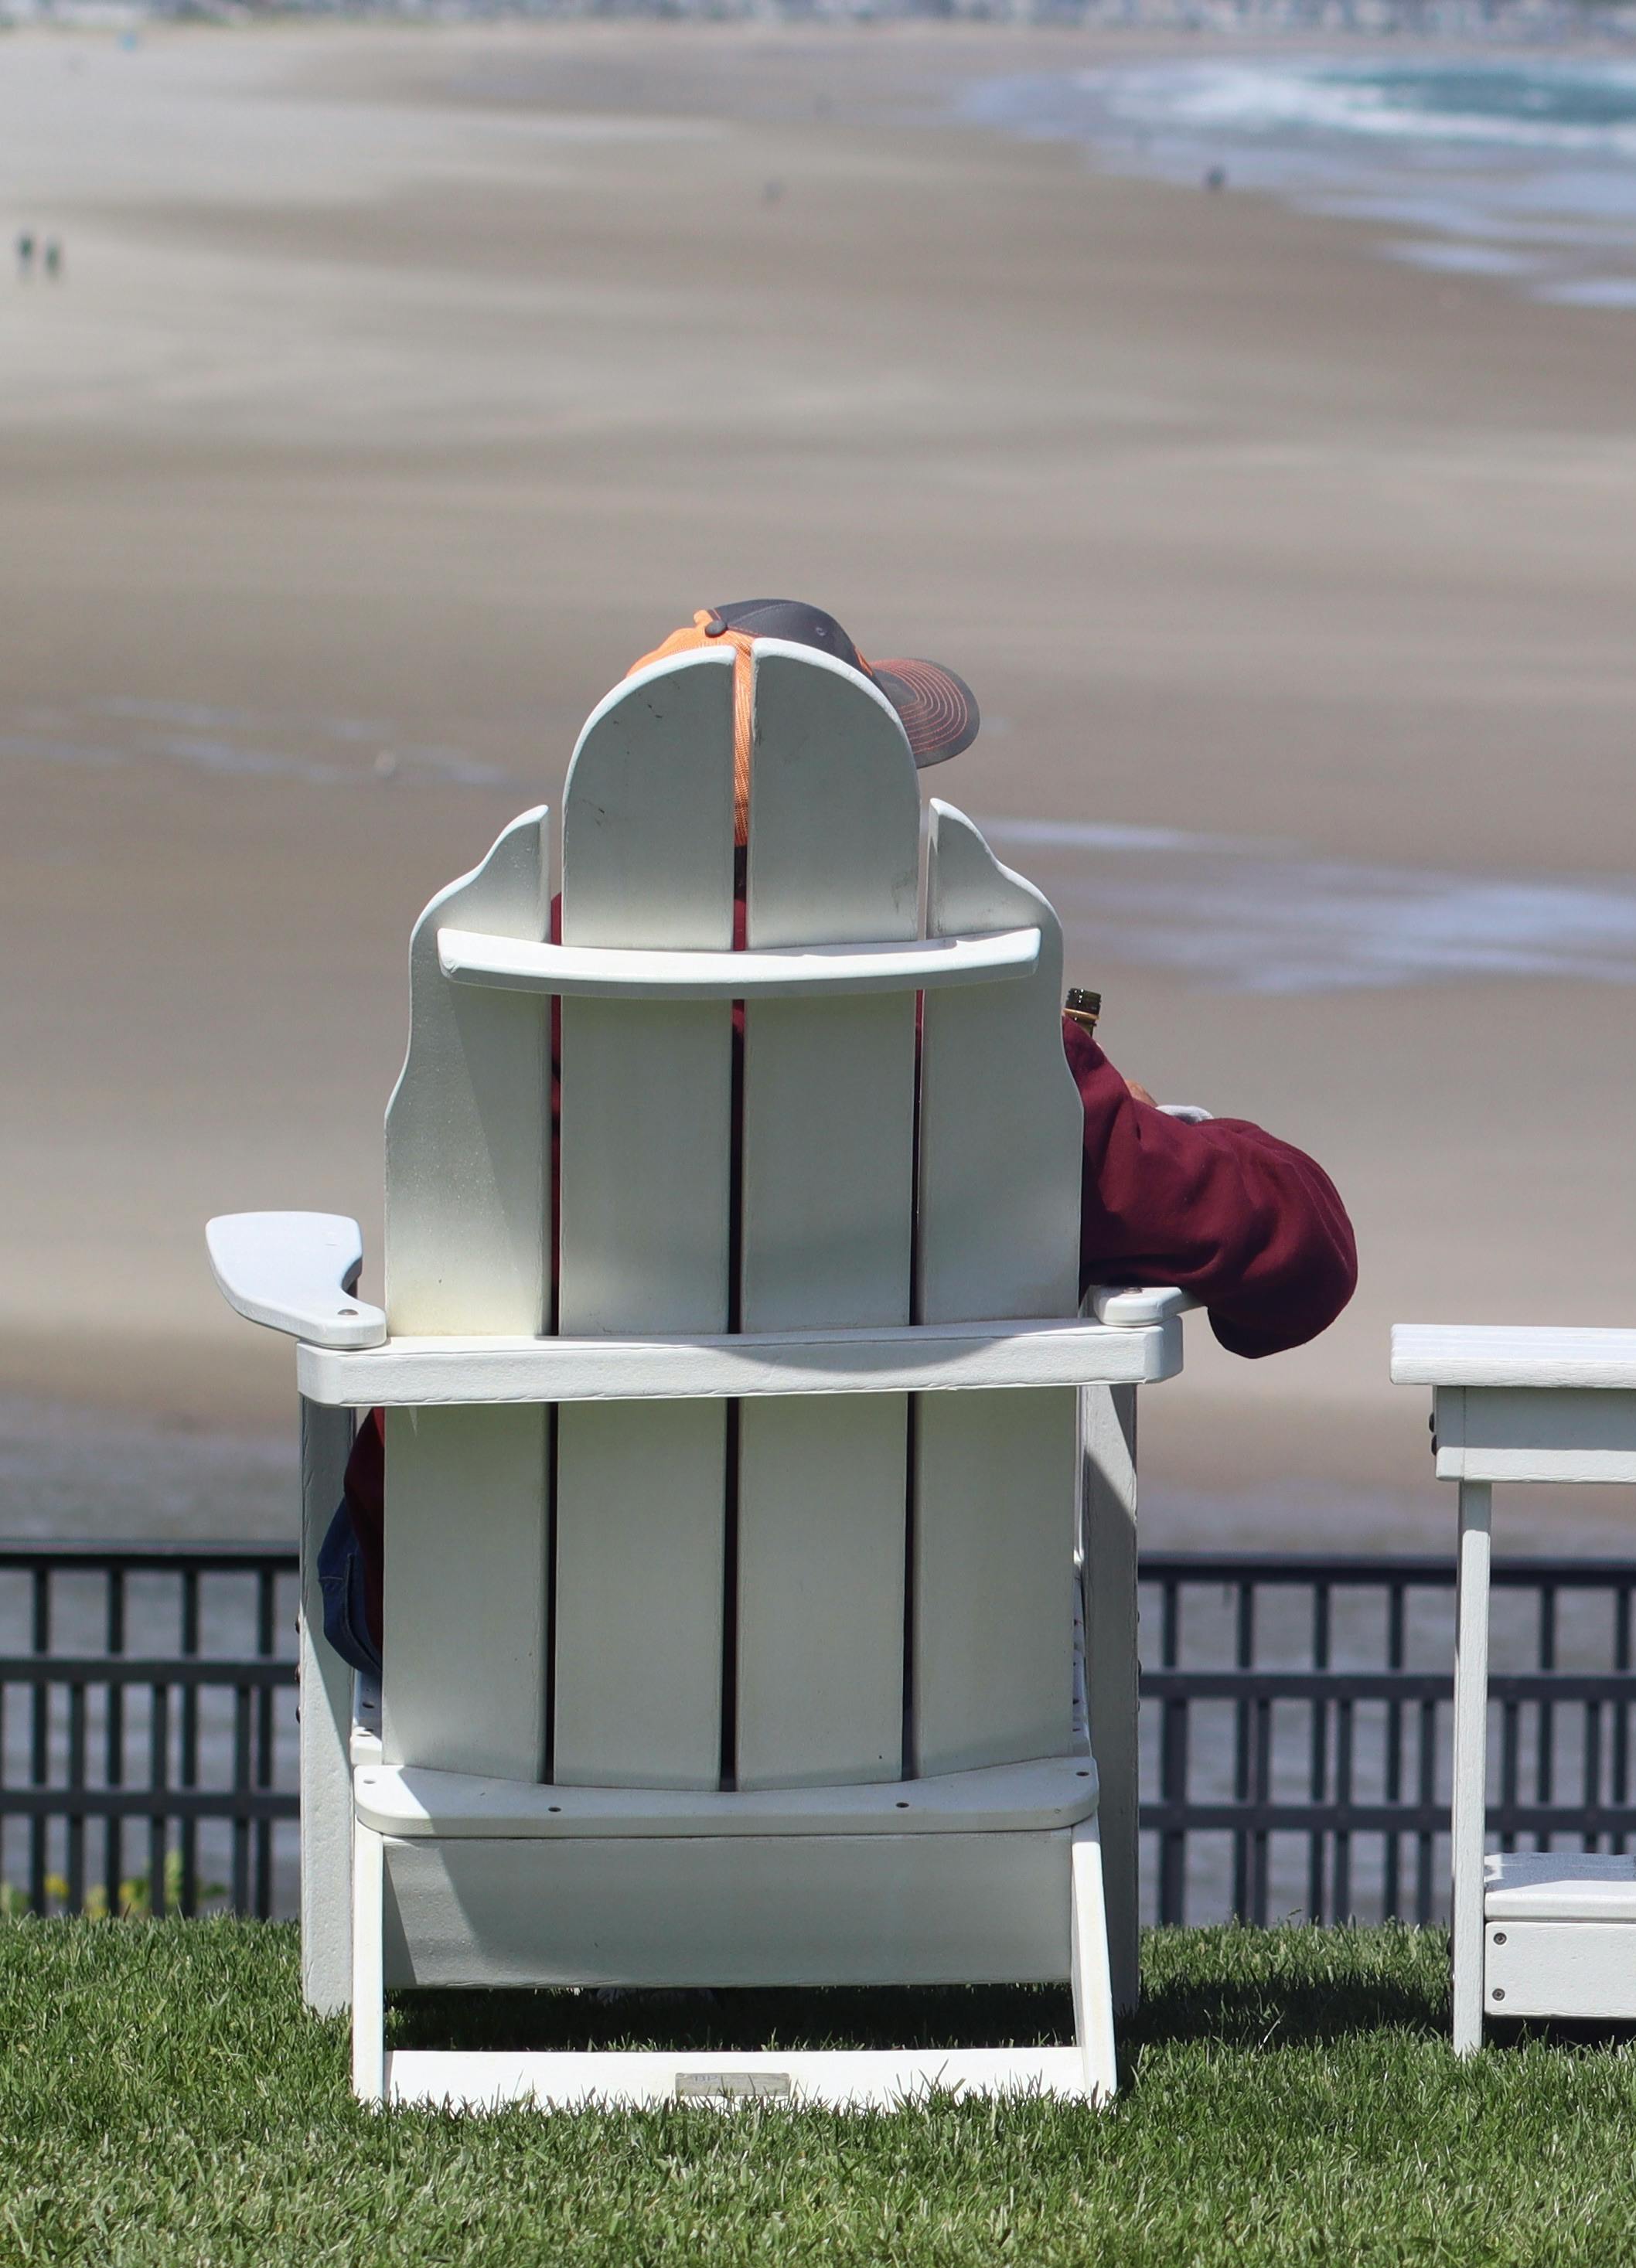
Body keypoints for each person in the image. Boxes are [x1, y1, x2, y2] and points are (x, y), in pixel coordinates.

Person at [313, 601, 1360, 1682]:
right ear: (851, 796)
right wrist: (1135, 1120)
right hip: (891, 1674)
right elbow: (1303, 1265)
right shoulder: (976, 1046)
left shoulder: (509, 1007)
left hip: (504, 1644)